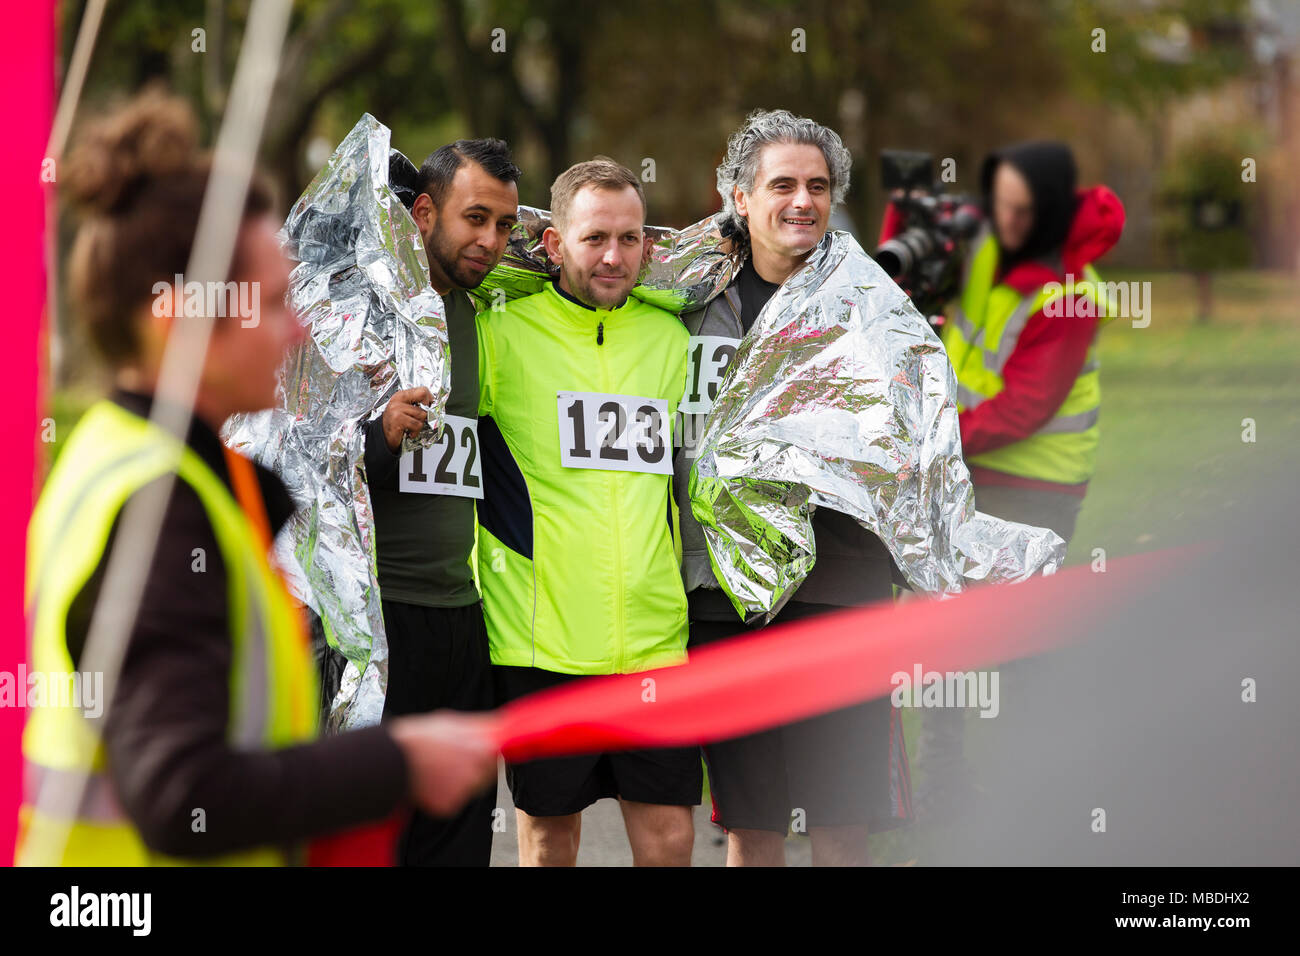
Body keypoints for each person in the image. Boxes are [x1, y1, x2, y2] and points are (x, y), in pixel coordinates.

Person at [17, 91, 498, 866]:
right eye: (275, 302)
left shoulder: (153, 462)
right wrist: (397, 762)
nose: (301, 327)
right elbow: (187, 796)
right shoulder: (162, 505)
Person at [675, 109, 912, 867]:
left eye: (817, 186)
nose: (802, 200)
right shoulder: (684, 307)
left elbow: (917, 443)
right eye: (782, 184)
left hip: (843, 590)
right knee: (754, 824)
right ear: (739, 198)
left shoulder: (871, 307)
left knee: (843, 822)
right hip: (725, 595)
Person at [878, 141, 1124, 818]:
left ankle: (1047, 783)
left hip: (1038, 481)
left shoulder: (1074, 294)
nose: (1009, 222)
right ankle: (945, 783)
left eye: (1025, 210)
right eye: (1002, 205)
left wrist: (935, 436)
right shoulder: (981, 243)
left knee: (1018, 638)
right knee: (937, 627)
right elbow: (904, 285)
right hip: (965, 467)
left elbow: (1024, 407)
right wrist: (908, 223)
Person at [475, 159, 697, 866]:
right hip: (542, 641)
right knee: (548, 839)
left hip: (653, 638)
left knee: (669, 837)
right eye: (595, 236)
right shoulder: (500, 337)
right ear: (554, 245)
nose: (613, 255)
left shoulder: (671, 341)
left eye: (630, 238)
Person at [360, 139, 520, 866]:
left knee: (458, 838)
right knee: (372, 836)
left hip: (463, 619)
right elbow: (290, 448)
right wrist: (377, 437)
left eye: (506, 226)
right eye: (475, 219)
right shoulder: (356, 306)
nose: (490, 241)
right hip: (377, 626)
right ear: (422, 212)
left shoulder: (486, 308)